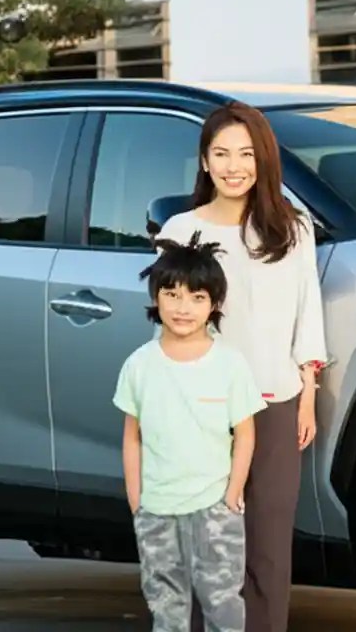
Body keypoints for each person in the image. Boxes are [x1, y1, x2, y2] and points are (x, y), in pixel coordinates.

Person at [155, 101, 328, 632]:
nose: (235, 166)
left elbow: (307, 313)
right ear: (204, 162)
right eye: (222, 154)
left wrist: (308, 394)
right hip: (202, 408)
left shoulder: (292, 230)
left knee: (269, 549)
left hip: (275, 403)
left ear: (263, 160)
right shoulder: (180, 230)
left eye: (246, 154)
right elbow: (169, 322)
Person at [114, 231, 267, 632]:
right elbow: (133, 435)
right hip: (156, 509)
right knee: (166, 604)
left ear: (214, 304)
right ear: (156, 297)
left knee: (222, 603)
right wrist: (137, 500)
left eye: (197, 298)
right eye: (173, 295)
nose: (183, 308)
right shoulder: (139, 365)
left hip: (214, 507)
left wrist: (232, 495)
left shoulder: (230, 364)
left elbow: (245, 433)